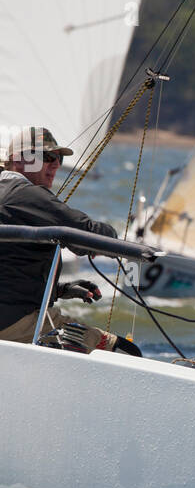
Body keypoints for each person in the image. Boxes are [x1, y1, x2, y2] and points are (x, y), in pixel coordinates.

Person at [0, 126, 139, 354]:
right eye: (47, 157)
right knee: (126, 352)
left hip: (8, 316)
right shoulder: (27, 194)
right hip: (14, 323)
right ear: (18, 159)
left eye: (59, 158)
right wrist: (115, 241)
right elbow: (87, 231)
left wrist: (61, 290)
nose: (56, 164)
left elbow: (9, 269)